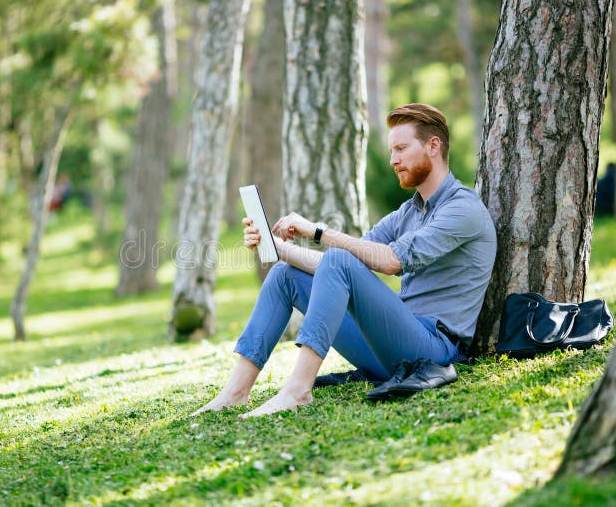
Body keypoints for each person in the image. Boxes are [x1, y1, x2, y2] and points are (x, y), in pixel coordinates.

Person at [192, 103, 497, 418]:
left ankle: (298, 390)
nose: (393, 160)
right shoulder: (408, 212)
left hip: (432, 350)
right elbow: (347, 265)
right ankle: (236, 392)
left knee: (338, 258)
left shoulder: (463, 209)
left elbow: (390, 261)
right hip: (389, 346)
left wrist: (317, 231)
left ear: (433, 146)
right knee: (285, 274)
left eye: (402, 149)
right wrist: (277, 248)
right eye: (392, 150)